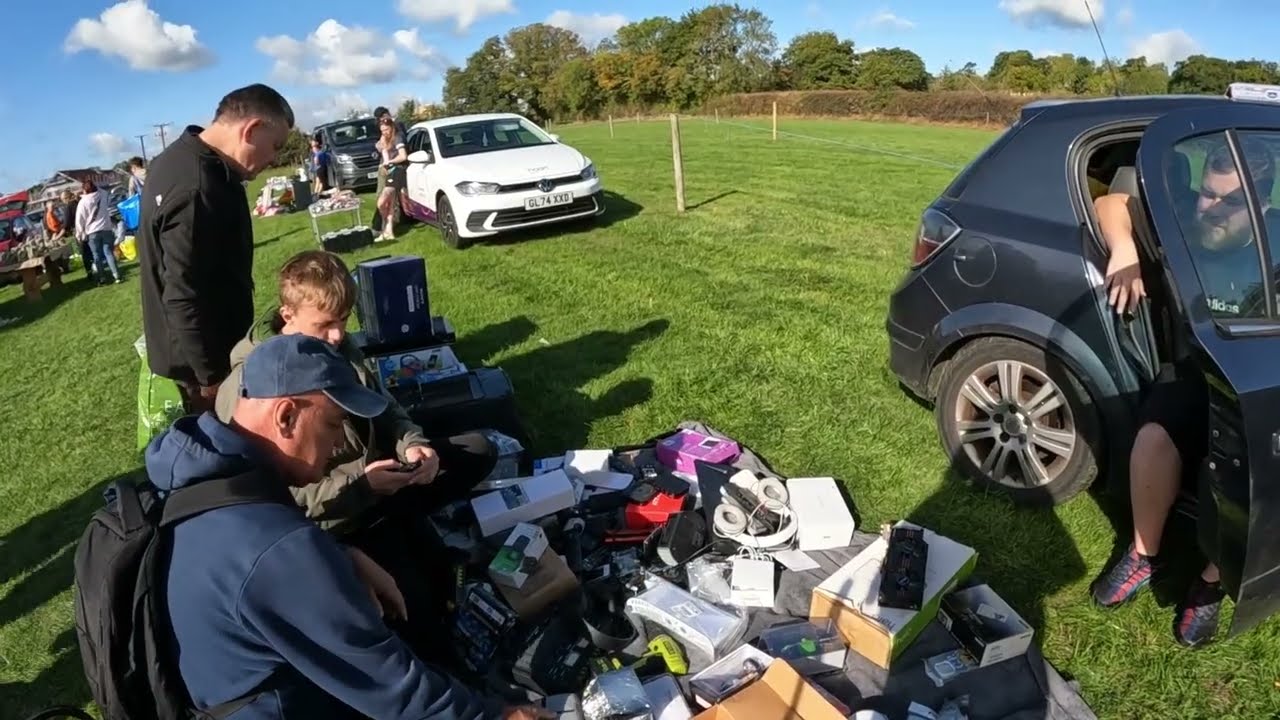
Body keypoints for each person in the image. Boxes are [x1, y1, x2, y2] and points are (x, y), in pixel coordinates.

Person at [153, 333, 550, 720]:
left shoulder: (207, 475)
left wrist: (340, 554)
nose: (335, 448)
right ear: (286, 416)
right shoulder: (276, 548)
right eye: (333, 424)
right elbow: (397, 692)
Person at [1091, 138, 1277, 647]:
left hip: (1258, 373)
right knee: (1153, 437)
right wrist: (1125, 248)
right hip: (1195, 369)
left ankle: (1212, 582)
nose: (1210, 207)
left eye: (1229, 201)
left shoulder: (1276, 233)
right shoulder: (1183, 222)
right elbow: (1112, 202)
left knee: (1253, 468)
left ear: (1261, 207)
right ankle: (1143, 554)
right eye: (1208, 193)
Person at [214, 249, 496, 534]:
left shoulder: (340, 348)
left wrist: (412, 445)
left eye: (343, 320)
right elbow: (270, 500)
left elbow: (385, 407)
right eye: (325, 324)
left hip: (376, 475)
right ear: (288, 315)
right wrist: (361, 486)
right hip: (331, 516)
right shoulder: (250, 386)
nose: (337, 334)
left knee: (478, 449)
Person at [138, 83, 295, 415]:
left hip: (204, 353)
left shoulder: (179, 159)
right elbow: (182, 294)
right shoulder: (196, 188)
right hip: (202, 366)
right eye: (275, 146)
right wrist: (211, 380)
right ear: (251, 130)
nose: (274, 158)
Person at [74, 179, 121, 285]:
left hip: (92, 231)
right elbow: (103, 191)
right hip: (106, 228)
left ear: (84, 190)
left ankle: (102, 277)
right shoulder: (102, 196)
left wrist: (79, 234)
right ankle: (116, 275)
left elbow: (79, 220)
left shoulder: (82, 202)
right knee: (108, 253)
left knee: (96, 255)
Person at [373, 106, 407, 233]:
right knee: (384, 197)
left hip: (397, 167)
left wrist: (388, 162)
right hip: (388, 165)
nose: (382, 120)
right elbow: (384, 150)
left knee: (388, 198)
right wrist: (385, 164)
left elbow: (402, 154)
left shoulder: (397, 130)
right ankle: (384, 227)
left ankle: (384, 226)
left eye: (383, 117)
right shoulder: (384, 135)